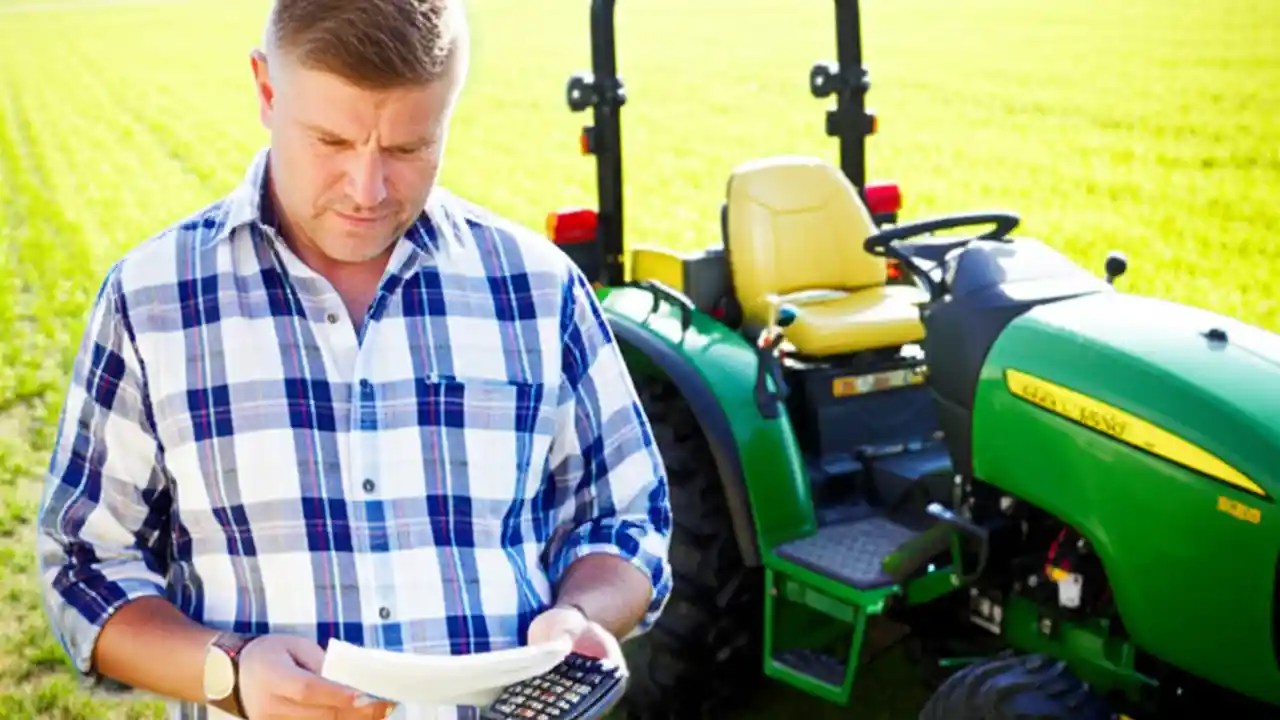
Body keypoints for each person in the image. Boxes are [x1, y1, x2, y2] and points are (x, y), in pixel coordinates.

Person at [34, 1, 673, 718]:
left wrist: (582, 613)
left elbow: (623, 516)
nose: (367, 192)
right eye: (331, 141)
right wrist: (232, 672)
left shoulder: (539, 288)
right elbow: (85, 566)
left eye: (407, 149)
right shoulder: (152, 300)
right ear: (266, 92)